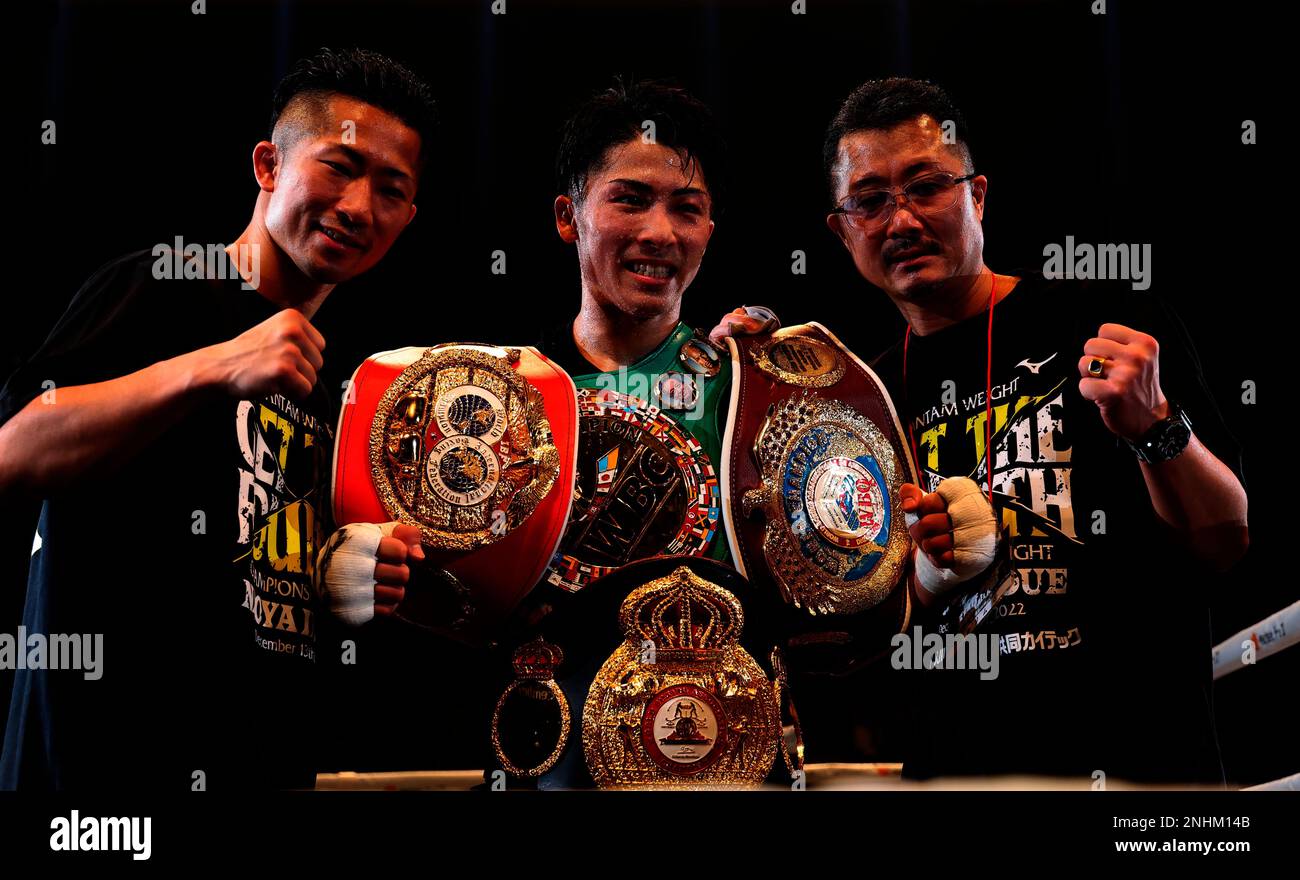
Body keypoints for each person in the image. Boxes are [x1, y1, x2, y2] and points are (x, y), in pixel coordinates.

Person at [0, 47, 433, 789]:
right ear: (268, 165)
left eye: (390, 190)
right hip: (103, 775)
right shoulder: (166, 283)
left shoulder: (328, 391)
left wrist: (344, 575)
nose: (360, 207)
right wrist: (215, 365)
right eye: (339, 167)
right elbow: (13, 452)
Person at [823, 77, 1249, 782]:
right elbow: (851, 644)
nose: (900, 220)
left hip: (1139, 768)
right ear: (843, 230)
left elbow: (1226, 539)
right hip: (962, 777)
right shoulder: (858, 402)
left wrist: (1155, 431)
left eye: (926, 186)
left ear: (977, 195)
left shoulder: (1099, 318)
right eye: (870, 201)